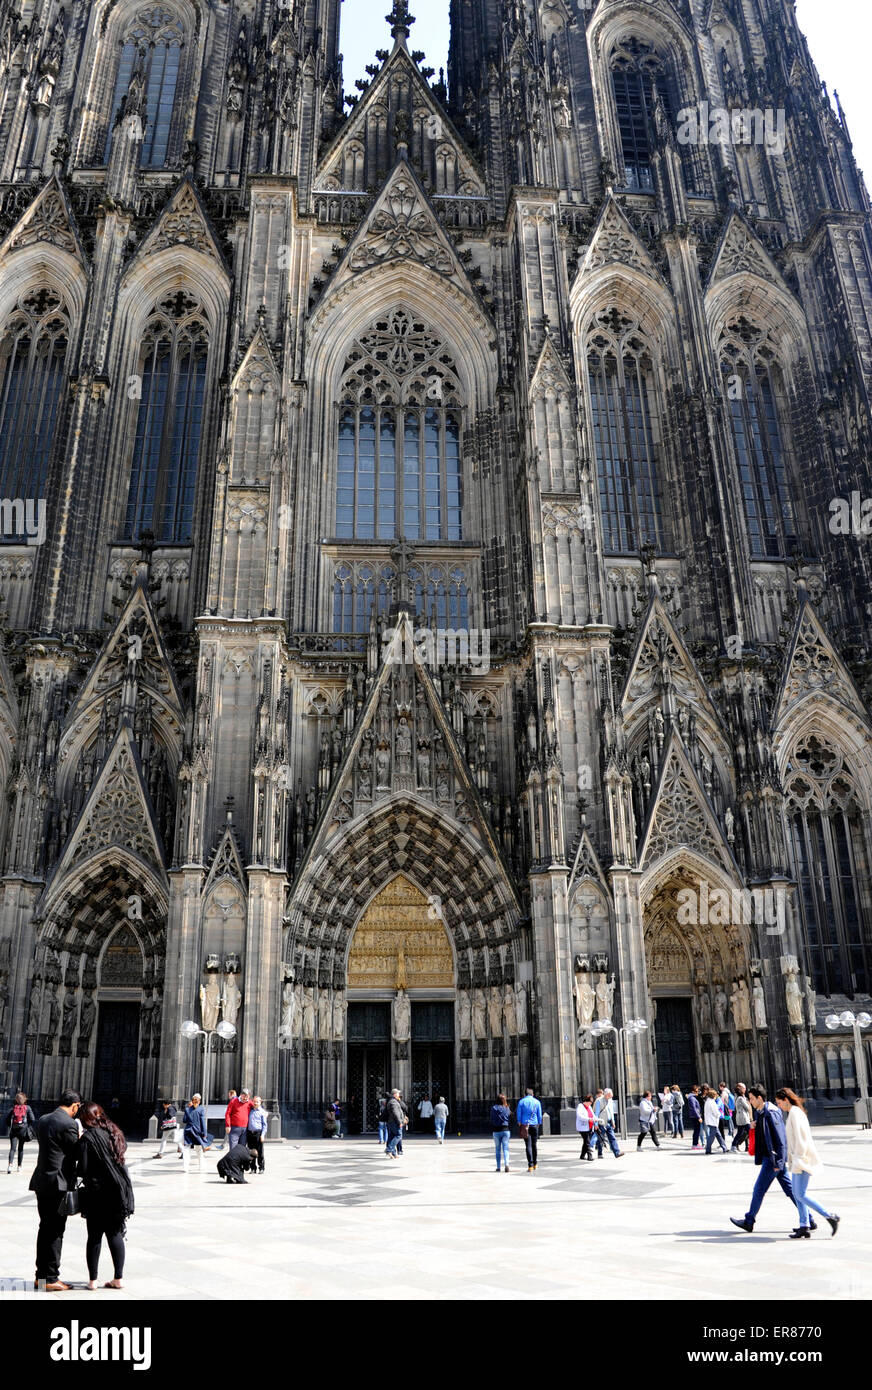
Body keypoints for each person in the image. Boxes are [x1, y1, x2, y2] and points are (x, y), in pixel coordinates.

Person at [731, 1084, 805, 1234]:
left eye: (751, 1098)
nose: (750, 1101)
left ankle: (749, 1220)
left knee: (758, 1189)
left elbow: (780, 1138)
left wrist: (777, 1161)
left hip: (771, 1159)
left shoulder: (771, 1113)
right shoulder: (762, 1112)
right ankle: (809, 1218)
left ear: (759, 1098)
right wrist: (754, 1126)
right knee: (790, 1190)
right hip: (772, 1158)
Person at [77, 1101, 135, 1290]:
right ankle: (118, 1278)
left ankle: (93, 1281)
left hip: (96, 1193)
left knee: (94, 1237)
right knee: (115, 1234)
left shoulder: (88, 1138)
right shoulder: (114, 1133)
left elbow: (83, 1169)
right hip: (117, 1192)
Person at [29, 1088, 81, 1291]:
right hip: (58, 1184)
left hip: (42, 1181)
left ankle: (40, 1277)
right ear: (75, 1105)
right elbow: (74, 1153)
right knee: (55, 1232)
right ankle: (50, 1278)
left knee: (45, 1229)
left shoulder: (43, 1119)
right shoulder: (68, 1124)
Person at [775, 1088, 839, 1239]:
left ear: (786, 1099)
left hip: (802, 1160)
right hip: (799, 1159)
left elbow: (801, 1138)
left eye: (779, 1102)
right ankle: (804, 1225)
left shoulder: (795, 1114)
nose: (778, 1106)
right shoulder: (794, 1113)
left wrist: (798, 1158)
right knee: (798, 1194)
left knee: (800, 1194)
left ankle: (830, 1216)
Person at [6, 1091, 36, 1173]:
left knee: (12, 1149)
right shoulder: (28, 1108)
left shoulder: (13, 1108)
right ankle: (19, 1167)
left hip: (14, 1131)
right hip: (23, 1131)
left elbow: (7, 1120)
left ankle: (10, 1166)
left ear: (16, 1099)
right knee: (20, 1148)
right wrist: (27, 1126)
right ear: (25, 1099)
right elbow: (32, 1119)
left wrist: (11, 1126)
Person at [182, 1093, 212, 1172]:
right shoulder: (201, 1109)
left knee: (186, 1149)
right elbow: (202, 1121)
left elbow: (184, 1120)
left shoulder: (187, 1109)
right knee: (198, 1149)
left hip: (188, 1131)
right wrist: (204, 1133)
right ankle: (201, 1166)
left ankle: (186, 1167)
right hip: (197, 1131)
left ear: (192, 1101)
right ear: (199, 1101)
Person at [516, 1087, 543, 1171]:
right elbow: (539, 1115)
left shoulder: (521, 1102)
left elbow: (518, 1114)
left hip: (525, 1125)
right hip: (534, 1125)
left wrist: (519, 1122)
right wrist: (539, 1123)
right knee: (534, 1145)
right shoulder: (537, 1102)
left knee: (528, 1145)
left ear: (525, 1094)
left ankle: (530, 1165)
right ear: (532, 1094)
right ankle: (535, 1164)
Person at [593, 1088, 624, 1158]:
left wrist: (613, 1122)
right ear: (606, 1094)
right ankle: (600, 1153)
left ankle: (617, 1152)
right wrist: (596, 1124)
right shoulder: (599, 1101)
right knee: (601, 1139)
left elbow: (611, 1112)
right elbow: (596, 1113)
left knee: (612, 1137)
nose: (611, 1096)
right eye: (610, 1095)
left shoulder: (610, 1101)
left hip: (609, 1122)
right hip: (601, 1122)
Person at [246, 1096, 268, 1172]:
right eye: (254, 1101)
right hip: (250, 1133)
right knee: (251, 1151)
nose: (255, 1103)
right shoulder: (250, 1111)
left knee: (260, 1151)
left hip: (258, 1134)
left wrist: (262, 1135)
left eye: (257, 1102)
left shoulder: (262, 1112)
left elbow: (265, 1125)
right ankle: (253, 1168)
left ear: (260, 1102)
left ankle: (261, 1167)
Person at [491, 1092, 512, 1172]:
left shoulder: (493, 1108)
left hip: (496, 1131)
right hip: (506, 1130)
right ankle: (507, 1164)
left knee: (497, 1149)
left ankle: (498, 1167)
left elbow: (492, 1119)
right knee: (506, 1148)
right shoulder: (507, 1108)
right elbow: (509, 1117)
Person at [704, 1088, 727, 1152]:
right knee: (711, 1136)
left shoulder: (707, 1101)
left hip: (710, 1121)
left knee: (718, 1135)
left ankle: (724, 1147)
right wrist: (719, 1115)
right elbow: (716, 1112)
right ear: (713, 1095)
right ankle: (708, 1150)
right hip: (713, 1121)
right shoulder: (712, 1102)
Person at [384, 1089, 405, 1158]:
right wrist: (399, 1122)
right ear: (395, 1094)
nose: (399, 1095)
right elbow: (396, 1113)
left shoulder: (392, 1101)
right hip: (394, 1122)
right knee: (399, 1135)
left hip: (391, 1122)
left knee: (392, 1136)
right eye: (398, 1093)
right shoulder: (393, 1102)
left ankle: (393, 1153)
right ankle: (389, 1149)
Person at [732, 1084, 752, 1152]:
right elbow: (747, 1107)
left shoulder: (737, 1097)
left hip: (741, 1118)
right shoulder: (741, 1098)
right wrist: (747, 1102)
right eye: (744, 1088)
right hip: (743, 1118)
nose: (745, 1090)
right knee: (750, 1132)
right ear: (741, 1090)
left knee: (740, 1133)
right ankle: (735, 1145)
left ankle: (734, 1145)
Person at [576, 1094, 596, 1161]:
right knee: (587, 1141)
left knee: (586, 1142)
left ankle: (582, 1155)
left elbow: (593, 1115)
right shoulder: (580, 1106)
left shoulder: (589, 1107)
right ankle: (590, 1156)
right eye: (590, 1102)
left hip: (589, 1127)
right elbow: (579, 1116)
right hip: (583, 1127)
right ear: (586, 1101)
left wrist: (597, 1120)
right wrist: (588, 1119)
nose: (590, 1104)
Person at [687, 1085, 703, 1150]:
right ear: (693, 1091)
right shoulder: (691, 1098)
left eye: (698, 1091)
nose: (697, 1093)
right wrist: (699, 1117)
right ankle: (695, 1144)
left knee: (697, 1130)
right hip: (695, 1116)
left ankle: (696, 1143)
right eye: (696, 1091)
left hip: (695, 1116)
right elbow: (694, 1108)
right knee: (697, 1130)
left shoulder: (692, 1097)